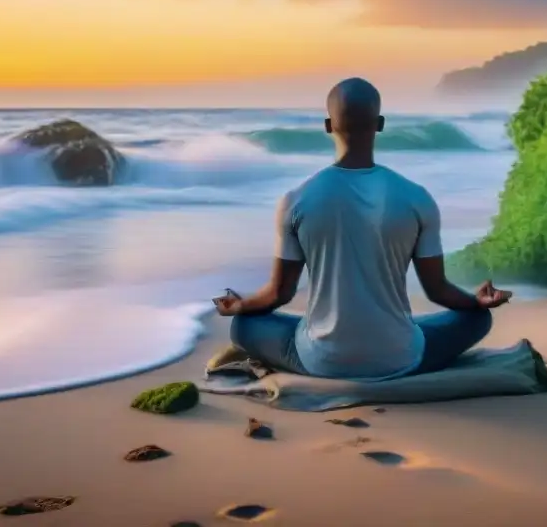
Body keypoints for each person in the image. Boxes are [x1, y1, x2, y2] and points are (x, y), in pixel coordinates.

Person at [213, 77, 512, 380]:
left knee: (244, 325)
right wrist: (476, 302)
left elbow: (279, 293)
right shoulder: (416, 197)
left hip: (321, 360)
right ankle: (398, 339)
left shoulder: (296, 201)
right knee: (477, 319)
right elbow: (437, 290)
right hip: (400, 357)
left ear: (328, 126)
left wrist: (240, 304)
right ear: (380, 123)